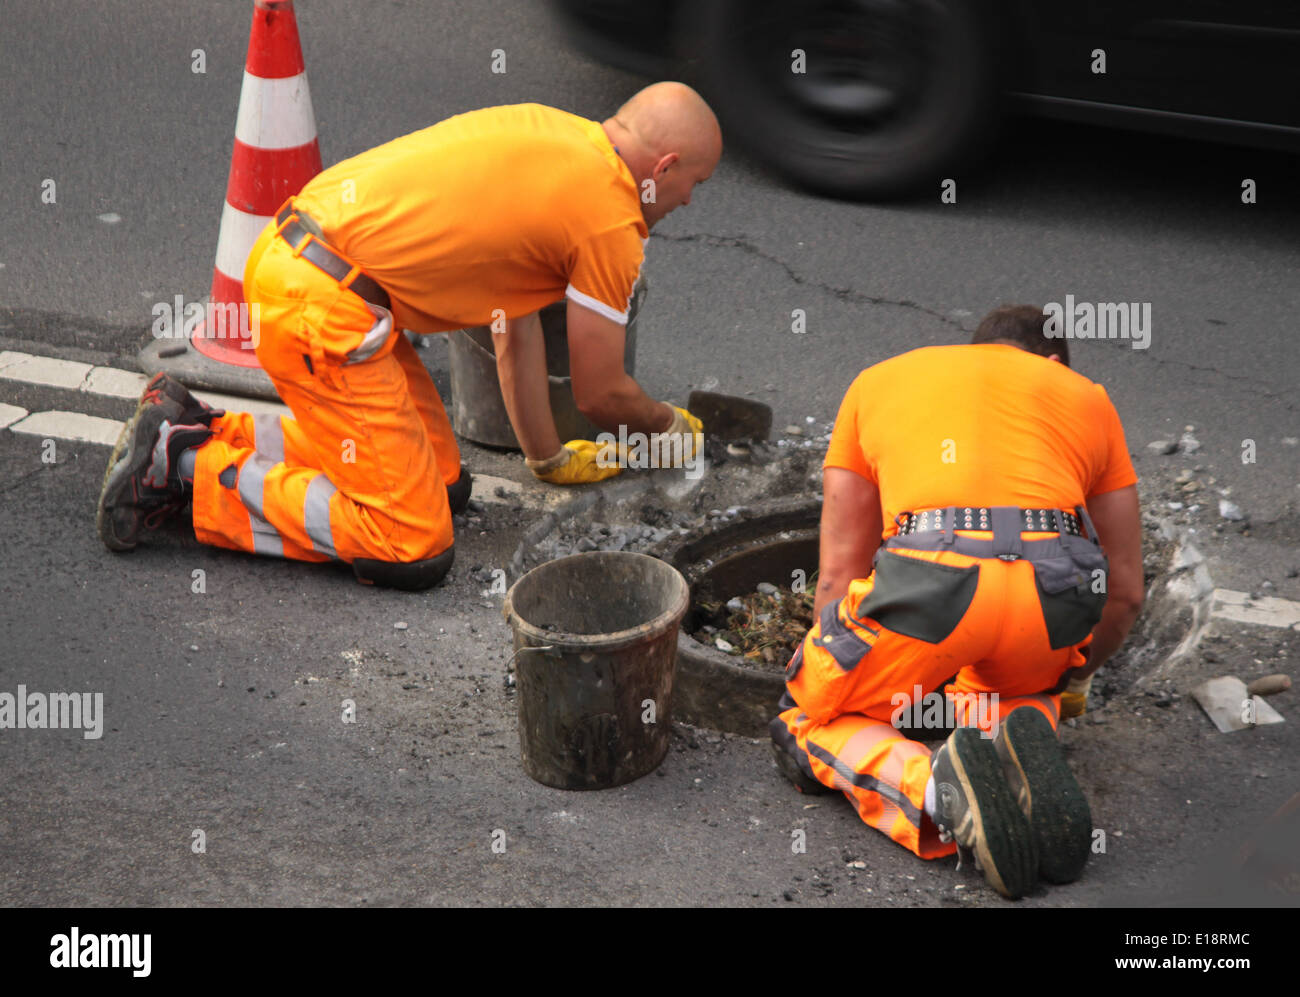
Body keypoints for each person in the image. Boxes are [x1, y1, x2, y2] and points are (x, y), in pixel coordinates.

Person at [97, 83, 722, 589]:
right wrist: (672, 428)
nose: (691, 201)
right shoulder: (611, 218)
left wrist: (547, 458)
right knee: (411, 542)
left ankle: (194, 424)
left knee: (445, 485)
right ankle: (183, 469)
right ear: (663, 168)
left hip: (309, 266)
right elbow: (601, 393)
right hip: (322, 309)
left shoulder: (553, 133)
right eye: (697, 183)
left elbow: (513, 328)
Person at [770, 305, 1144, 898]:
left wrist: (834, 676)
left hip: (934, 578)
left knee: (806, 721)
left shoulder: (877, 381)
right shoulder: (1087, 396)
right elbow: (1125, 590)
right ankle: (1017, 728)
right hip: (1054, 593)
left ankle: (936, 788)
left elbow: (840, 574)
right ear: (1051, 364)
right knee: (1019, 691)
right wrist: (1071, 680)